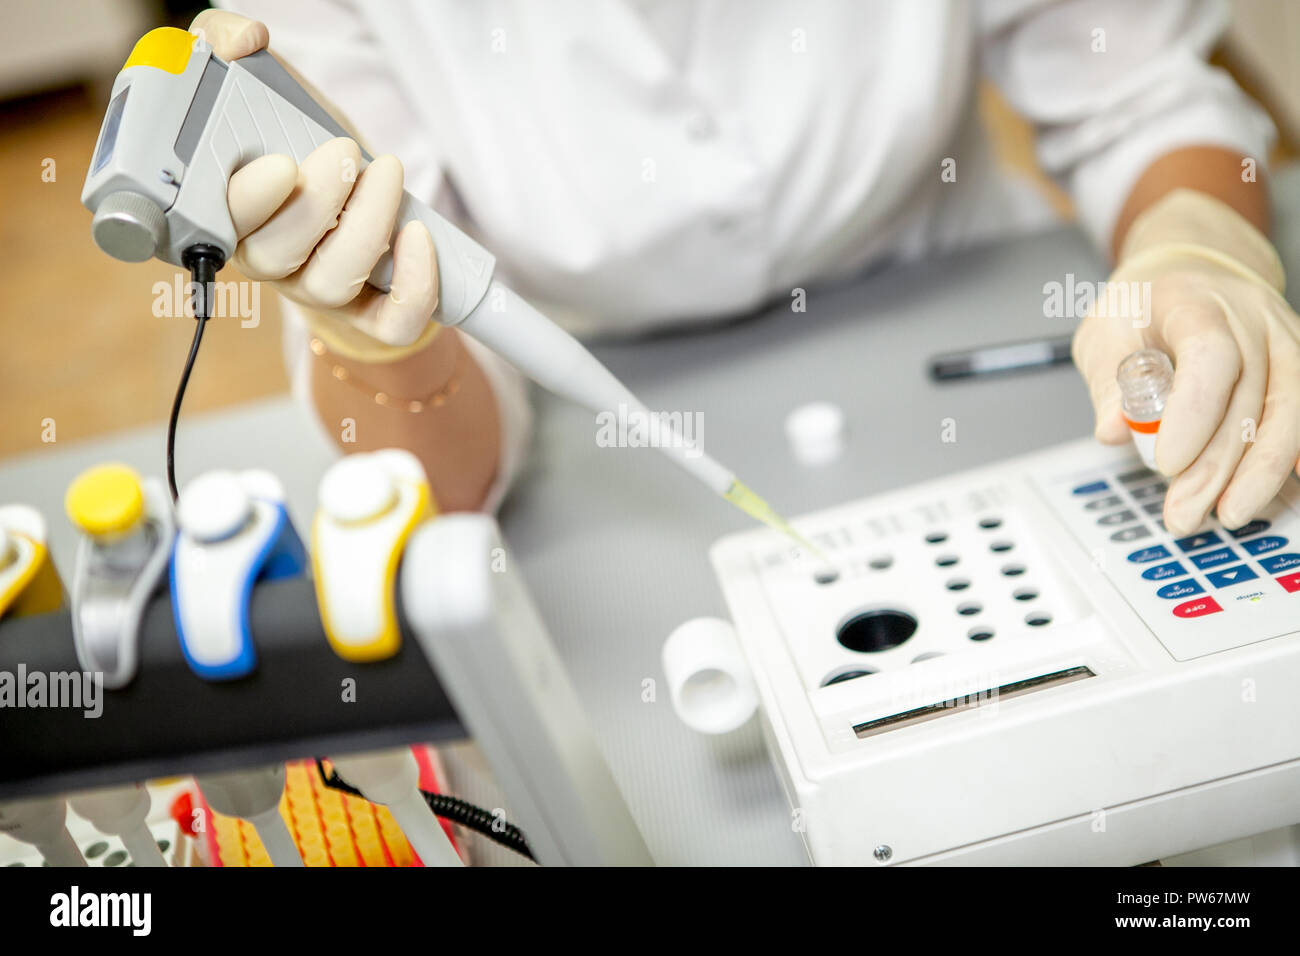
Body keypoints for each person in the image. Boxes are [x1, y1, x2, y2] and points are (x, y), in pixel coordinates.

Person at [193, 1, 1295, 535]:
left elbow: (1141, 94)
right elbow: (451, 478)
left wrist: (1195, 244)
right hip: (590, 427)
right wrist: (369, 327)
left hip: (960, 324)